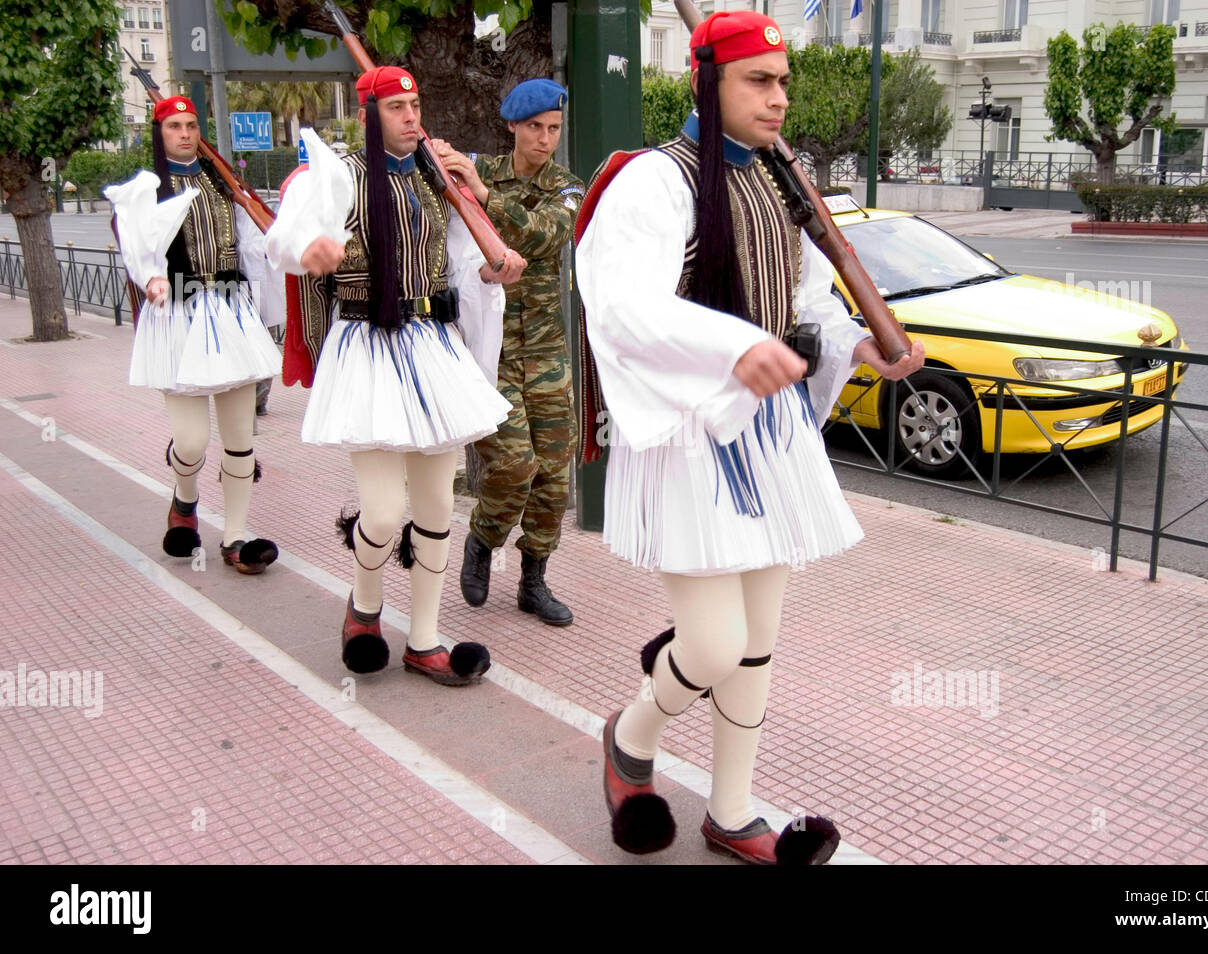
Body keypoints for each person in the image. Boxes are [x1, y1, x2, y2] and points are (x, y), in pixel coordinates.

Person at [574, 11, 925, 864]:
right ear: (710, 84)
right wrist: (736, 347)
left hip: (770, 434)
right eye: (758, 81)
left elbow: (799, 304)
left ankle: (731, 812)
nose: (780, 98)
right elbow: (622, 307)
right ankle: (631, 731)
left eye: (783, 80)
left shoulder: (774, 181)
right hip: (692, 430)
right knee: (713, 644)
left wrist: (855, 345)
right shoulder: (656, 182)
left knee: (758, 642)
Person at [264, 66, 526, 685]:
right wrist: (311, 250)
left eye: (415, 105)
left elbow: (459, 263)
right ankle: (364, 603)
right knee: (382, 514)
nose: (411, 117)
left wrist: (492, 271)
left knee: (437, 506)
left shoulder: (437, 181)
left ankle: (426, 639)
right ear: (368, 116)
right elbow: (284, 235)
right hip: (369, 344)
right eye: (396, 108)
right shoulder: (344, 177)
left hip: (433, 345)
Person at [105, 95, 282, 575]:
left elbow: (253, 246)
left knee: (240, 438)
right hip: (178, 315)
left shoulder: (225, 184)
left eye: (191, 125)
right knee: (191, 441)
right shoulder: (146, 189)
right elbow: (135, 242)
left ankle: (236, 536)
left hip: (230, 312)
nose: (185, 133)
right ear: (159, 135)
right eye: (174, 126)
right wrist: (150, 279)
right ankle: (185, 499)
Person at [435, 78, 585, 627]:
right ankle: (482, 538)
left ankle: (533, 580)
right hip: (489, 351)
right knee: (515, 466)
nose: (545, 139)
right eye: (535, 128)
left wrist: (485, 194)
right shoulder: (475, 176)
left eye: (553, 129)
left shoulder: (568, 187)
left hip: (547, 353)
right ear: (513, 127)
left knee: (553, 475)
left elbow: (548, 236)